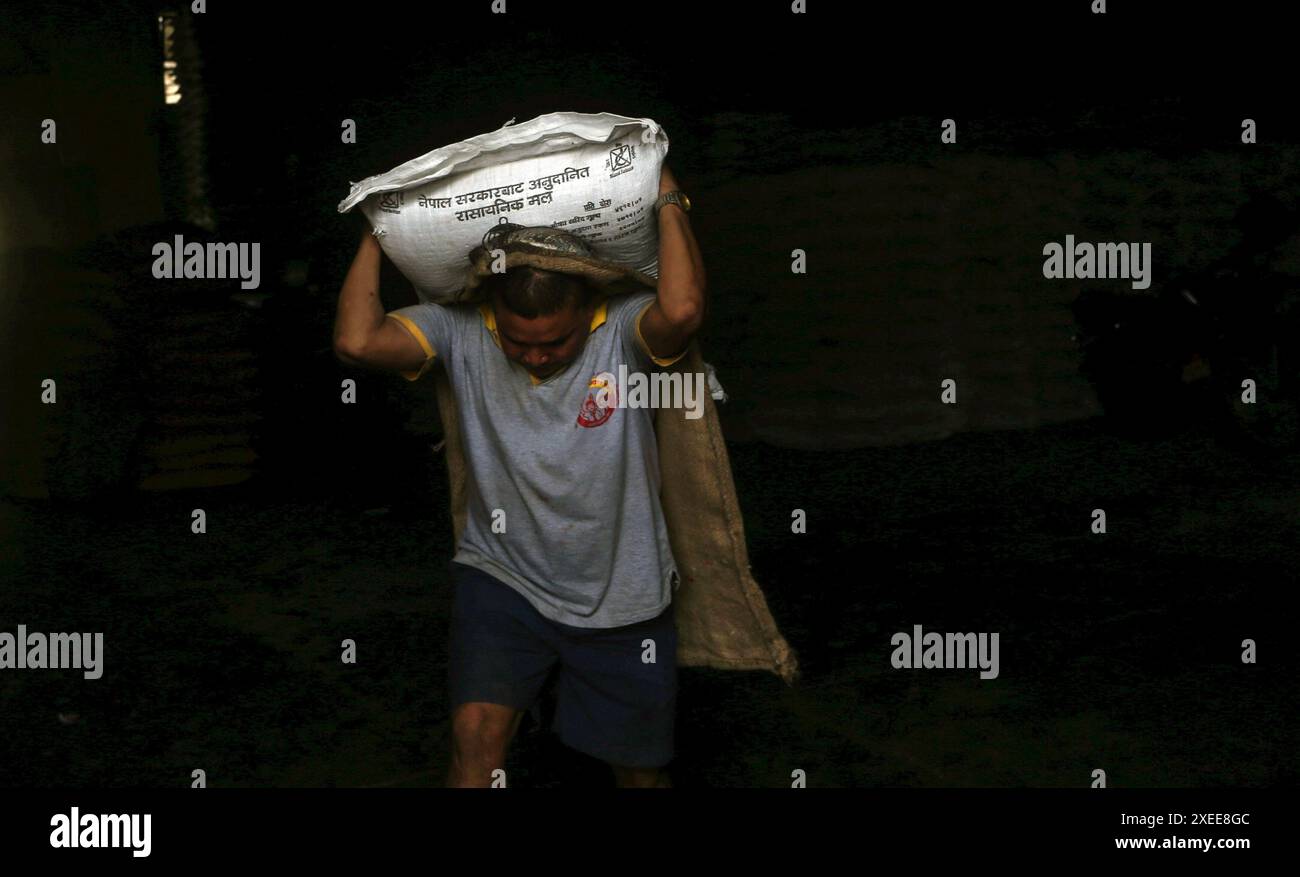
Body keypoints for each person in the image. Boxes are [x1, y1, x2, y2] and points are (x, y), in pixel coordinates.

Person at [332, 165, 705, 788]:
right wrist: (379, 229)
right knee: (475, 750)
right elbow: (357, 343)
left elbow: (684, 308)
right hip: (502, 579)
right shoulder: (457, 330)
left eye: (553, 343)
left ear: (588, 307)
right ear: (491, 312)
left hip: (622, 594)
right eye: (518, 341)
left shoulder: (622, 329)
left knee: (638, 774)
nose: (534, 355)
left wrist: (666, 193)